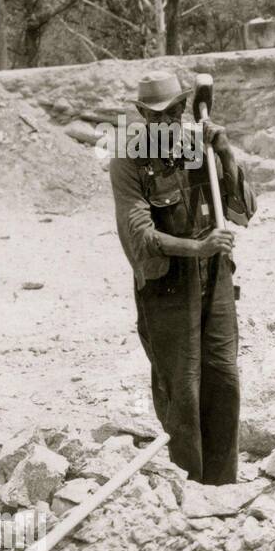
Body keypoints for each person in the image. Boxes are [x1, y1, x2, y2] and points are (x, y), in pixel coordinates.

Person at [108, 70, 256, 484]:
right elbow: (139, 236)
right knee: (183, 389)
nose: (170, 121)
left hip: (217, 278)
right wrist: (197, 247)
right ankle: (190, 484)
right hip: (167, 285)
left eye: (176, 111)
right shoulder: (128, 157)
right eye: (158, 115)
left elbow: (245, 210)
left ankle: (223, 485)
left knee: (224, 380)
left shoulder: (200, 148)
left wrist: (225, 153)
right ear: (141, 114)